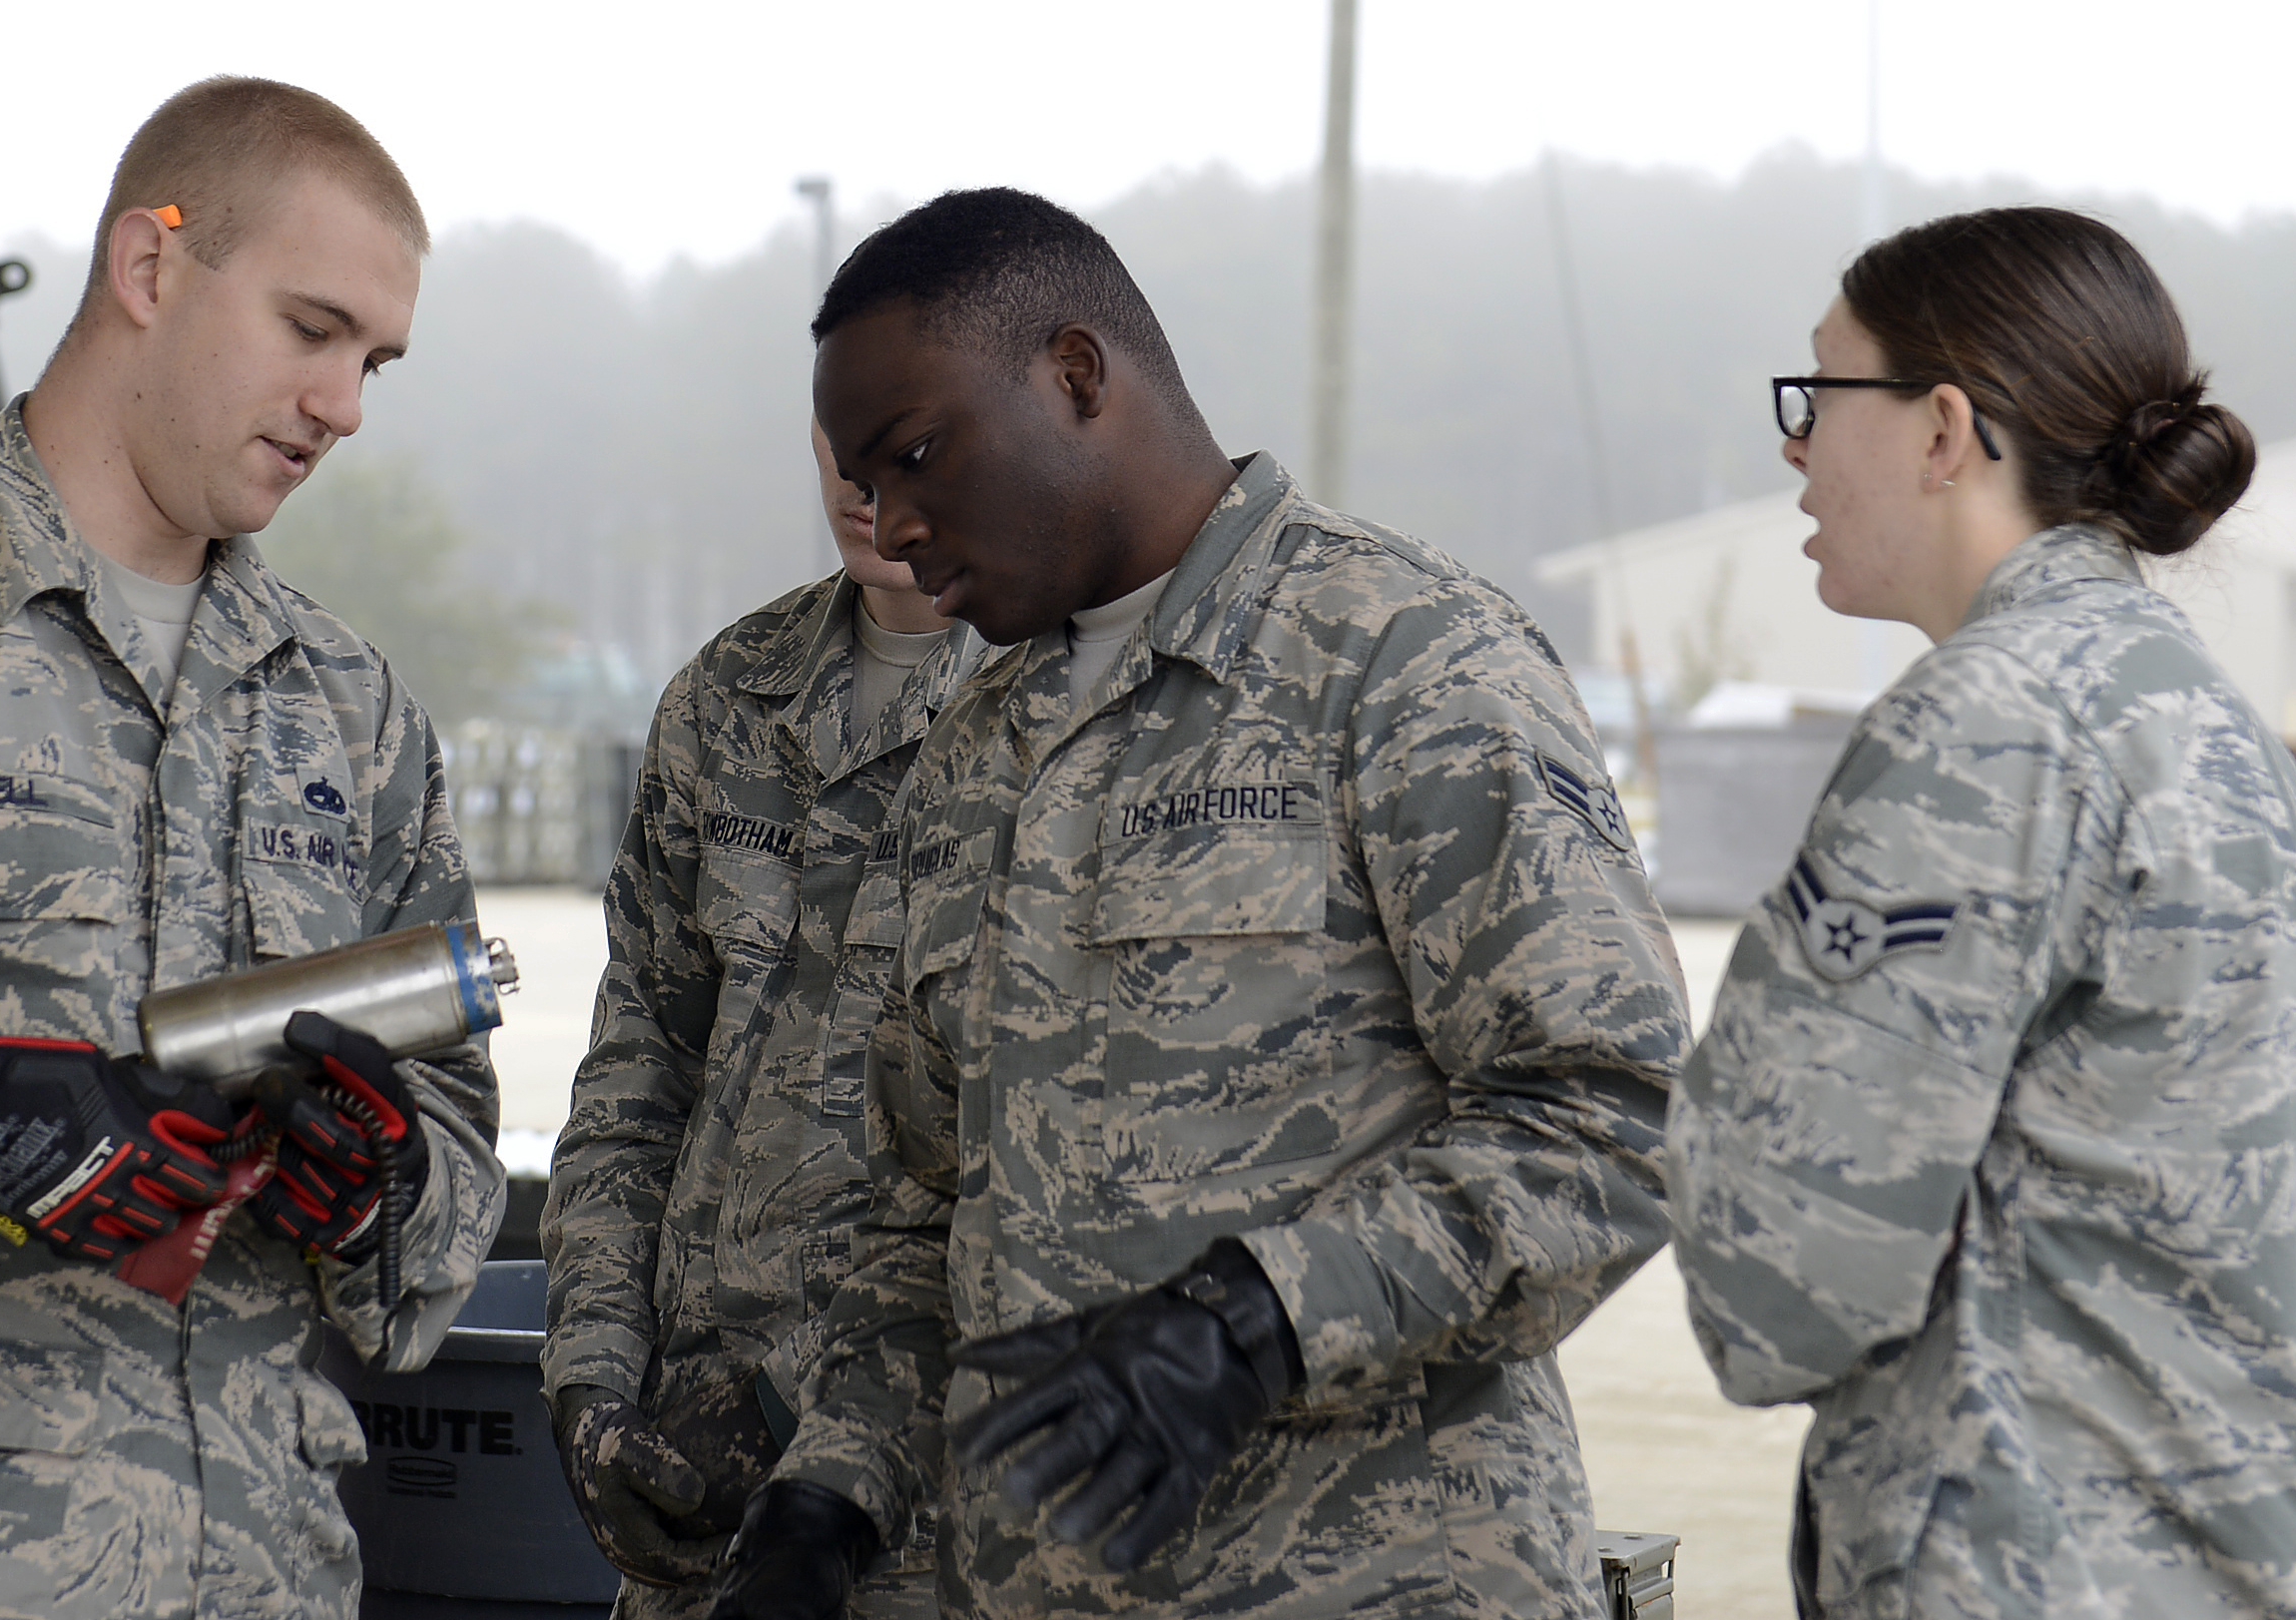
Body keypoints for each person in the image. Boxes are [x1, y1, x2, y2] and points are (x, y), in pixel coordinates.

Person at [708, 188, 1690, 1620]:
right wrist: (828, 1497)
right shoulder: (978, 748)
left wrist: (1260, 1322)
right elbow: (934, 1211)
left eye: (916, 453)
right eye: (861, 479)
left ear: (1075, 374)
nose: (889, 521)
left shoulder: (1403, 661)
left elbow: (1613, 1120)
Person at [0, 77, 504, 1616]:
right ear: (149, 267)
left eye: (374, 361)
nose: (346, 405)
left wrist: (378, 1189)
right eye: (312, 329)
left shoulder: (354, 718)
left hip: (264, 1574)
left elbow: (446, 1207)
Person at [1666, 207, 2296, 1618]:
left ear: (1941, 430)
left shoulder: (1988, 726)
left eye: (1817, 397)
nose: (1792, 447)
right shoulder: (2189, 706)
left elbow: (1778, 1286)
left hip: (2023, 1562)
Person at [541, 421, 984, 1618]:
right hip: (699, 1485)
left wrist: (803, 1413)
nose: (860, 484)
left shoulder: (1072, 712)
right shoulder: (733, 695)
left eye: (911, 442)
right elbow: (638, 1069)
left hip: (958, 1516)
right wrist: (592, 1378)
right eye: (838, 441)